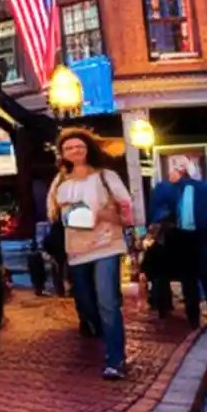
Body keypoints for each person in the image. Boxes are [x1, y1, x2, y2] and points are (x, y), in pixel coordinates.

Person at [46, 128, 134, 380]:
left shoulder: (106, 177)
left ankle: (115, 359)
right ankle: (101, 339)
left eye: (79, 146)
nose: (75, 151)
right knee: (86, 303)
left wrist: (101, 214)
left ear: (88, 148)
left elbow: (127, 212)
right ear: (62, 154)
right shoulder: (61, 181)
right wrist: (69, 214)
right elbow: (52, 214)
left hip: (107, 245)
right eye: (69, 148)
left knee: (107, 302)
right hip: (76, 249)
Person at [148, 158, 207, 328]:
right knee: (188, 277)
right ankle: (193, 314)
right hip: (178, 237)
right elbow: (157, 209)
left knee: (203, 273)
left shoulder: (203, 187)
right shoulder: (166, 188)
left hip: (200, 234)